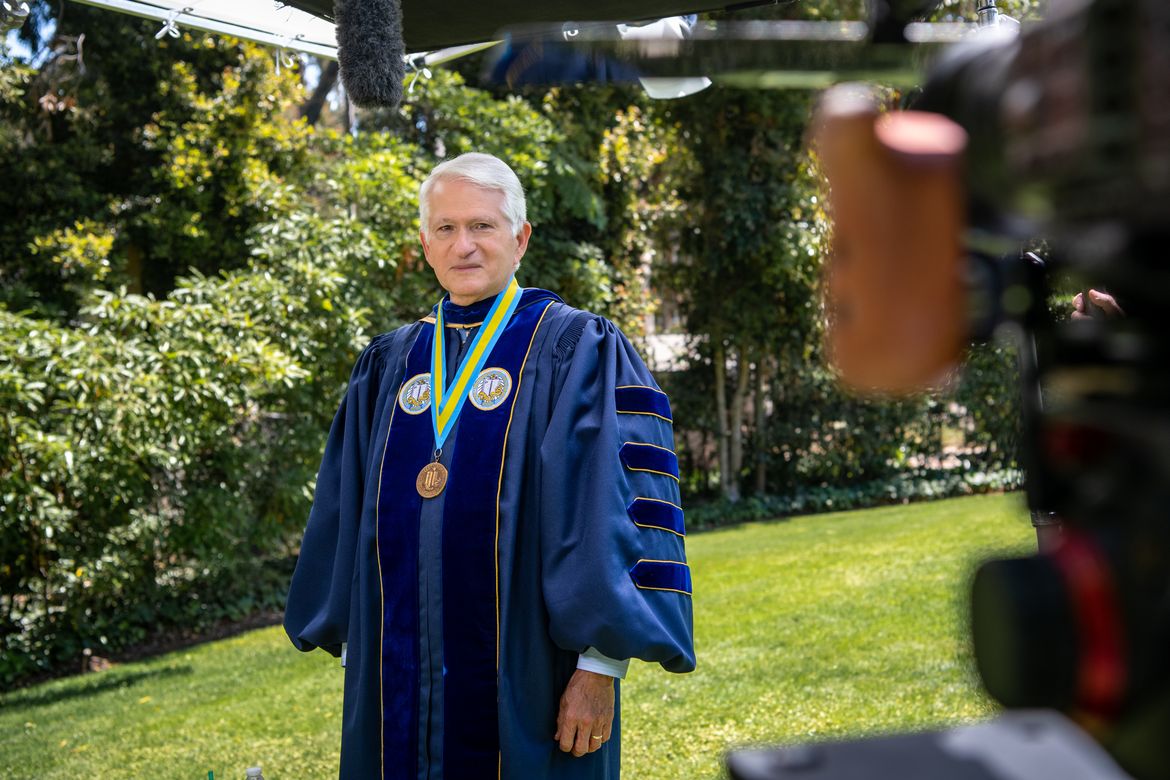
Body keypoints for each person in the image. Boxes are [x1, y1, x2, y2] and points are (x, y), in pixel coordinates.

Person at [284, 152, 695, 780]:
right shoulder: (389, 363)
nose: (464, 246)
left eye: (482, 226)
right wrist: (360, 658)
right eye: (446, 229)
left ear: (520, 237)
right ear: (425, 244)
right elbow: (345, 520)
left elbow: (613, 511)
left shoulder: (575, 348)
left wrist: (600, 668)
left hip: (533, 679)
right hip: (398, 681)